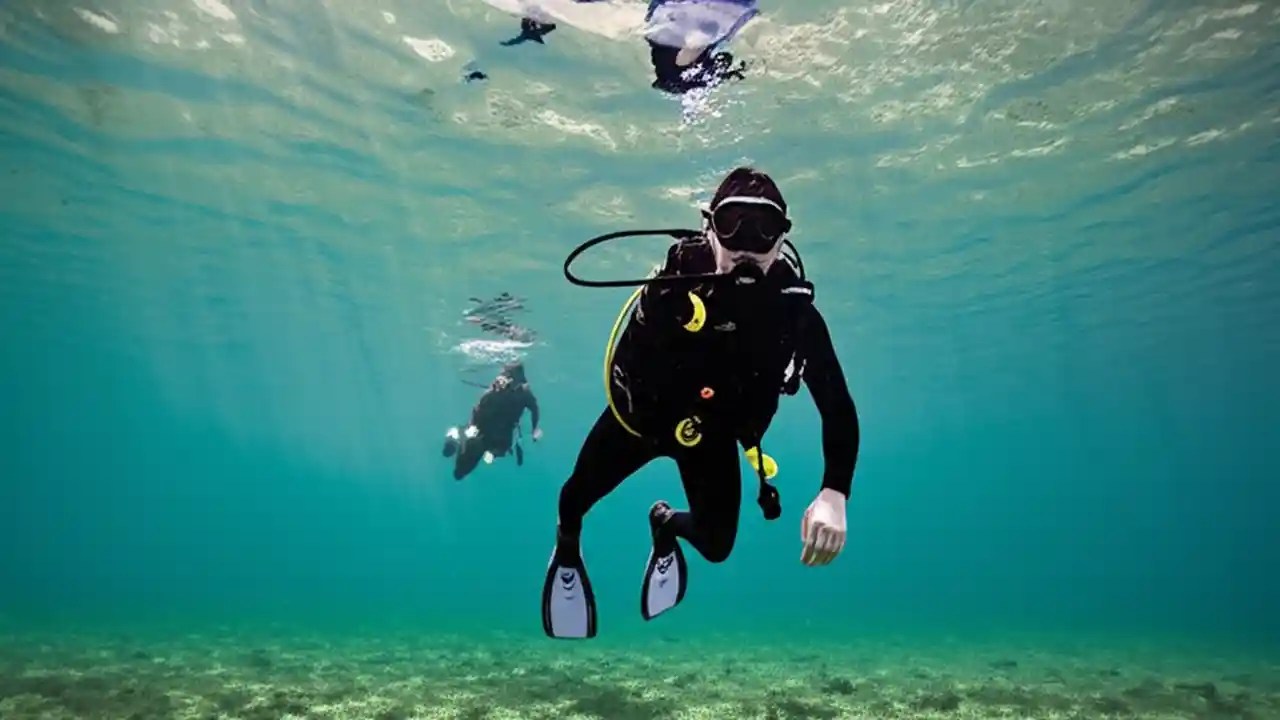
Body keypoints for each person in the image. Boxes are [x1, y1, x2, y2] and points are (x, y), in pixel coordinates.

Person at [541, 167, 860, 639]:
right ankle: (567, 550)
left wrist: (835, 493)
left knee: (716, 546)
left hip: (709, 438)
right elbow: (636, 359)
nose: (746, 245)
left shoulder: (794, 316)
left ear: (782, 239)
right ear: (710, 227)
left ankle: (665, 524)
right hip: (641, 424)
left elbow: (837, 406)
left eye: (764, 229)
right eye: (732, 225)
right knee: (573, 498)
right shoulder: (673, 289)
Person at [443, 362, 542, 480]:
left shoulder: (521, 392)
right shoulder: (508, 390)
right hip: (489, 430)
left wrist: (534, 428)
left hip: (495, 432)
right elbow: (479, 407)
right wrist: (534, 429)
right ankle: (457, 438)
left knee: (483, 451)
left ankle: (458, 438)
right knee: (477, 453)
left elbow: (534, 410)